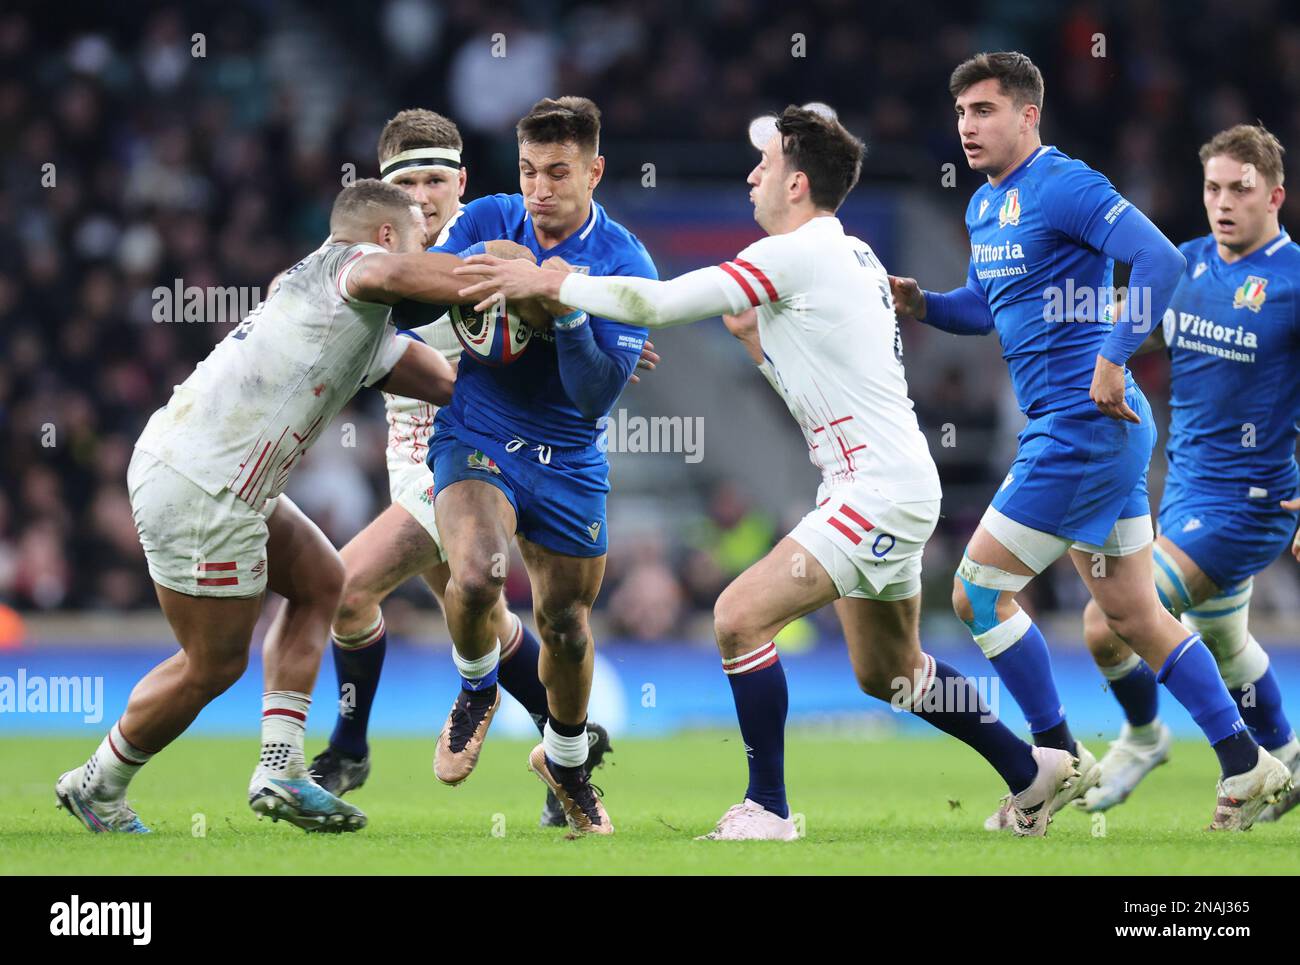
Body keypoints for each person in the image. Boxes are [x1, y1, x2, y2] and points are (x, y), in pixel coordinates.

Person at [455, 103, 1081, 839]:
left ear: (799, 183)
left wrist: (558, 285)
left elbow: (655, 302)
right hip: (887, 481)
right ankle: (1030, 770)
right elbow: (826, 385)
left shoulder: (796, 254)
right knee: (890, 670)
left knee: (737, 616)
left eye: (767, 164)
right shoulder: (849, 256)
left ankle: (769, 807)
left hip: (874, 489)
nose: (753, 175)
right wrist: (760, 350)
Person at [887, 52, 1291, 831]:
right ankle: (1247, 764)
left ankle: (1052, 759)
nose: (968, 125)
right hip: (1083, 431)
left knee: (977, 590)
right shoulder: (985, 207)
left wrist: (1112, 356)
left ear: (1028, 115)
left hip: (1082, 427)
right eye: (962, 112)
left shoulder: (1063, 184)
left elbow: (1160, 259)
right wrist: (928, 304)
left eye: (985, 110)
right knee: (1136, 614)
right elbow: (988, 306)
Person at [55, 180, 484, 833]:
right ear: (388, 237)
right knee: (214, 662)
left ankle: (281, 769)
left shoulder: (332, 302)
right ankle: (98, 783)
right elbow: (405, 274)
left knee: (322, 580)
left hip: (203, 468)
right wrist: (522, 276)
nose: (423, 253)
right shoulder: (354, 266)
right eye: (418, 239)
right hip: (205, 485)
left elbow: (446, 382)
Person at [306, 109, 617, 828]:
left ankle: (350, 747)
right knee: (481, 611)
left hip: (472, 448)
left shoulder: (490, 245)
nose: (423, 194)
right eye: (407, 181)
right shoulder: (368, 255)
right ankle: (570, 752)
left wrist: (609, 330)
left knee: (347, 588)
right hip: (406, 451)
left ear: (462, 183)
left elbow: (562, 283)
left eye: (435, 179)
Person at [425, 97, 657, 836]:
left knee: (565, 625)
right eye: (528, 170)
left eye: (558, 172)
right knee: (477, 572)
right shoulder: (489, 220)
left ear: (595, 170)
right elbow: (417, 292)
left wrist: (563, 303)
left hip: (568, 456)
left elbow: (593, 395)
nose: (539, 189)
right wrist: (473, 273)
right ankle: (477, 686)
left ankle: (565, 762)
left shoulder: (626, 263)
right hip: (478, 433)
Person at [1081, 123, 1300, 818]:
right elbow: (1121, 321)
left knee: (1107, 617)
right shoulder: (1183, 263)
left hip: (1251, 503)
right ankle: (1286, 762)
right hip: (1182, 493)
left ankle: (1153, 738)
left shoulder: (1294, 283)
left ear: (1275, 195)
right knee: (1226, 645)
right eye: (1213, 187)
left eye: (1241, 189)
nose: (1224, 201)